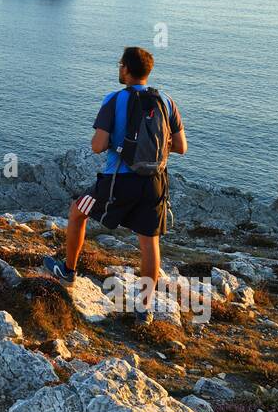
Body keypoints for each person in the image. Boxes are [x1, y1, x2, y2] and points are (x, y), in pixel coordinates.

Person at [44, 46, 187, 323]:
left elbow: (97, 146)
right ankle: (144, 309)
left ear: (126, 69)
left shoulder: (114, 100)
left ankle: (68, 271)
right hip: (156, 183)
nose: (118, 68)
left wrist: (121, 143)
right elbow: (181, 147)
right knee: (149, 242)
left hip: (117, 182)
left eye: (120, 64)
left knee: (77, 211)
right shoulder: (167, 101)